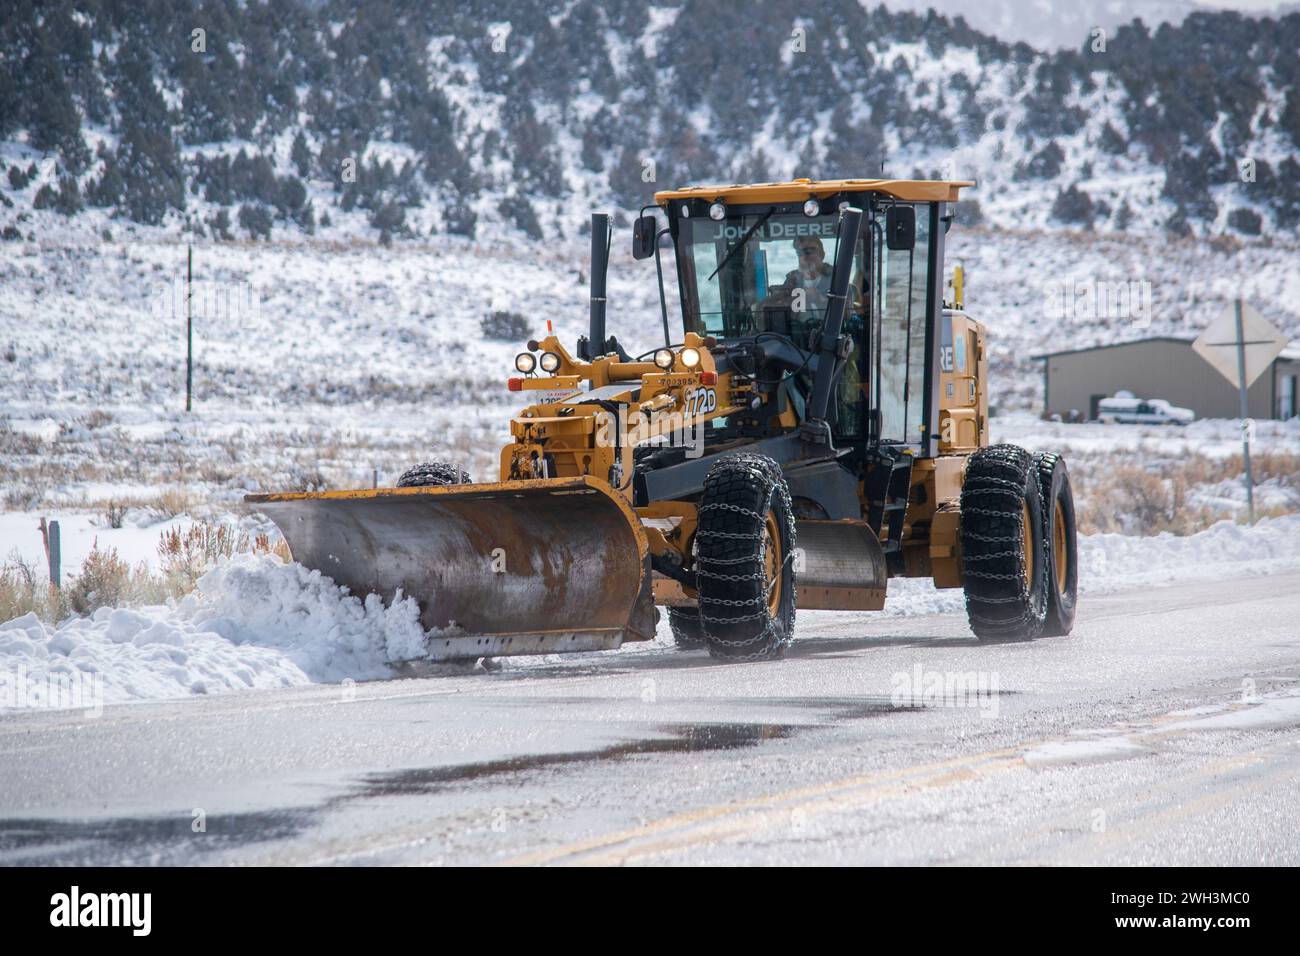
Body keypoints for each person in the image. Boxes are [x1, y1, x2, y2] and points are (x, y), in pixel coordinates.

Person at [783, 236, 832, 311]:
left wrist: (819, 299)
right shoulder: (791, 281)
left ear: (822, 255)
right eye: (800, 253)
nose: (804, 256)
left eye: (810, 252)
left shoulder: (837, 279)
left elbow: (847, 314)